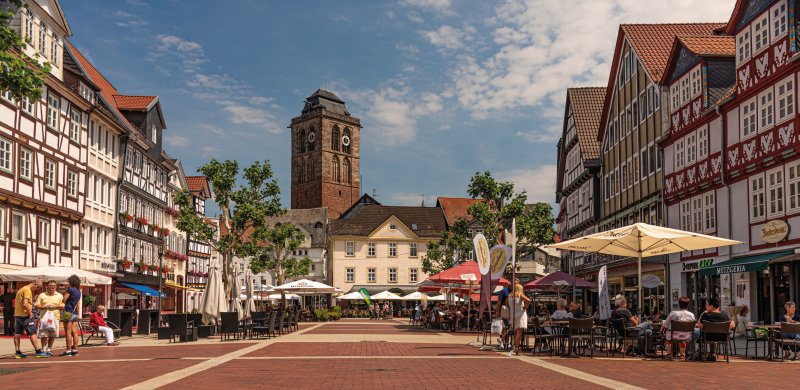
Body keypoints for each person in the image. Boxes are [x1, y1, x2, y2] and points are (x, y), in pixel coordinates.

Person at [13, 279, 47, 358]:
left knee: (17, 333)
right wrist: (30, 313)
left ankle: (17, 352)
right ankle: (38, 351)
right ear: (35, 284)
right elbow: (25, 303)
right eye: (37, 287)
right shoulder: (27, 290)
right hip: (25, 315)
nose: (36, 289)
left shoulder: (21, 289)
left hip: (17, 314)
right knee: (32, 333)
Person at [35, 281, 64, 357]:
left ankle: (49, 349)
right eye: (50, 285)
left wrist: (56, 306)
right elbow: (36, 305)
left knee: (52, 335)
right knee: (44, 335)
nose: (52, 287)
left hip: (55, 317)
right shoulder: (42, 295)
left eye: (54, 285)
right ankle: (43, 349)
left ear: (56, 287)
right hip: (44, 317)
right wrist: (45, 307)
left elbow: (63, 306)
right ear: (47, 286)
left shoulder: (59, 295)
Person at [61, 275, 82, 357]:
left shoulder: (70, 290)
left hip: (68, 312)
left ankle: (68, 350)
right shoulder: (78, 291)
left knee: (68, 332)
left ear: (71, 282)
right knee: (75, 332)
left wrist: (64, 293)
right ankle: (75, 350)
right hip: (75, 313)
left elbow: (64, 300)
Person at [508, 281, 531, 355]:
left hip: (513, 314)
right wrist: (526, 306)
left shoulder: (509, 296)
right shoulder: (519, 294)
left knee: (515, 332)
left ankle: (515, 347)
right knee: (519, 333)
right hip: (520, 314)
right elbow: (528, 300)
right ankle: (517, 348)